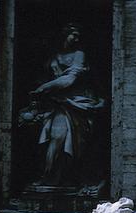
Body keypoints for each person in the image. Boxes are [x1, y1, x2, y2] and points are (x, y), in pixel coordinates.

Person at [24, 23, 105, 187]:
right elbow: (45, 78)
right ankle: (51, 178)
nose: (76, 38)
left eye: (78, 36)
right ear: (64, 35)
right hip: (55, 104)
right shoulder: (53, 58)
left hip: (76, 104)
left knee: (62, 139)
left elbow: (70, 79)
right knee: (53, 139)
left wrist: (44, 88)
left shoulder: (79, 55)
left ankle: (56, 179)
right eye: (73, 34)